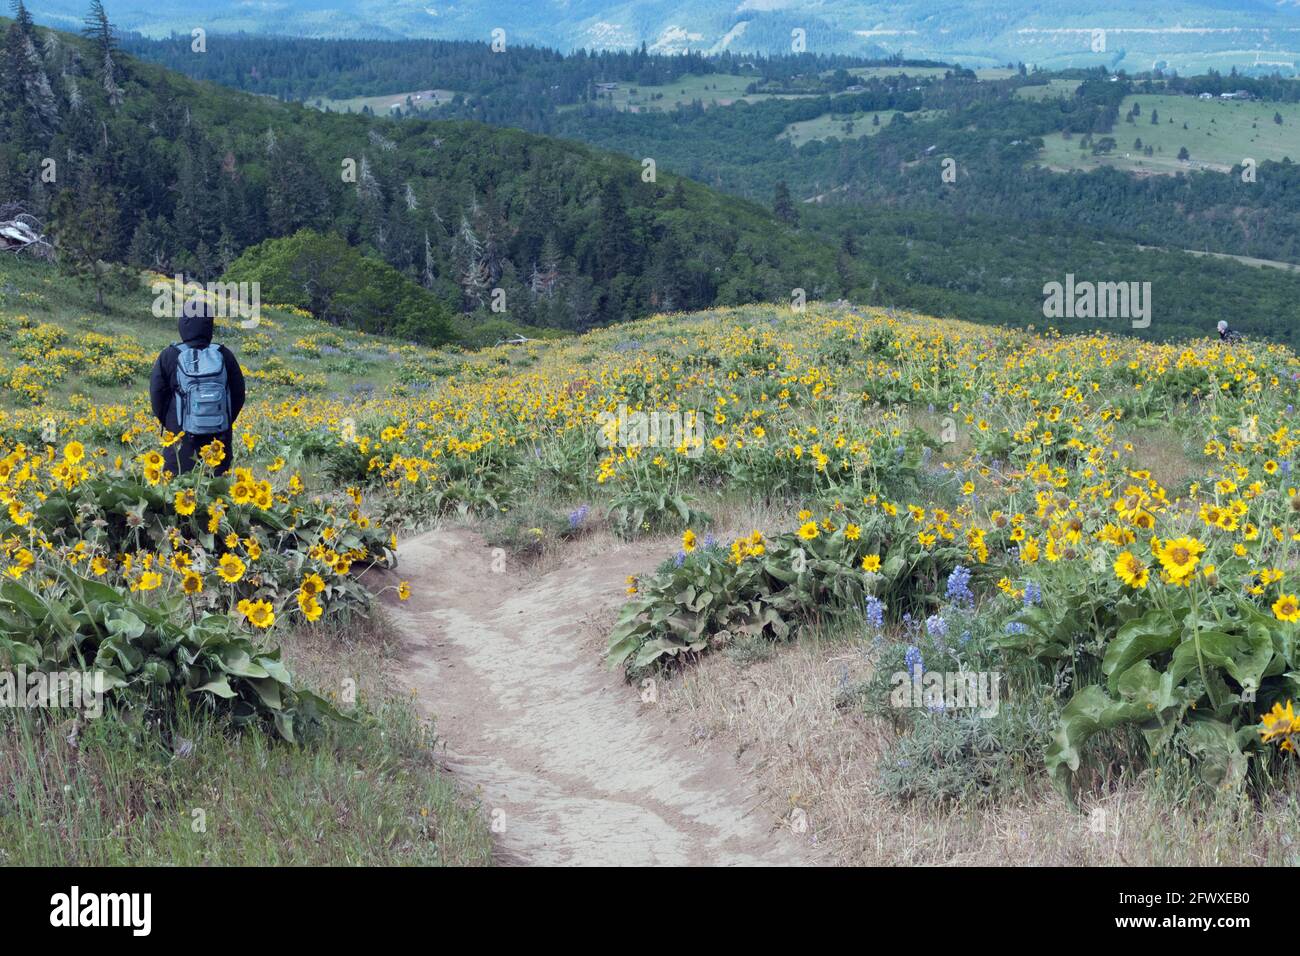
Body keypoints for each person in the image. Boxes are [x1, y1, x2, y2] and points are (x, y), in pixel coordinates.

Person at [149, 302, 246, 476]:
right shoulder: (224, 354)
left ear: (182, 323)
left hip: (181, 441)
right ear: (209, 324)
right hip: (219, 441)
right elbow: (238, 395)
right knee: (216, 493)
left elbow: (156, 397)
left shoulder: (169, 355)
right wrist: (222, 420)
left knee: (177, 489)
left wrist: (171, 422)